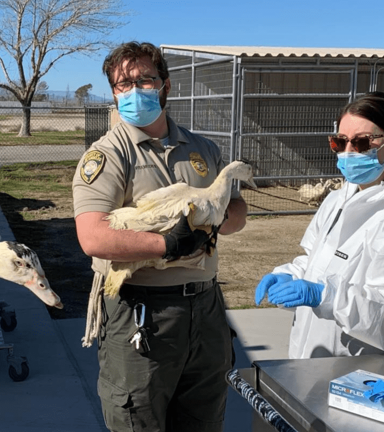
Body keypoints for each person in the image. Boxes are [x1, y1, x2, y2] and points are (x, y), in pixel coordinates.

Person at [72, 41, 249, 432]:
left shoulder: (203, 149)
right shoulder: (107, 156)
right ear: (114, 93)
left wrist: (214, 215)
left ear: (165, 85)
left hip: (205, 307)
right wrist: (167, 245)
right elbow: (93, 236)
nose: (134, 90)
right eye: (123, 84)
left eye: (144, 80)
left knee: (204, 419)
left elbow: (236, 211)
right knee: (139, 419)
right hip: (141, 311)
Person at [255, 91, 384, 359]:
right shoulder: (338, 199)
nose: (348, 152)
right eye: (340, 142)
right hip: (317, 364)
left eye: (362, 142)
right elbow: (318, 262)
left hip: (368, 373)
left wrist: (326, 297)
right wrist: (290, 276)